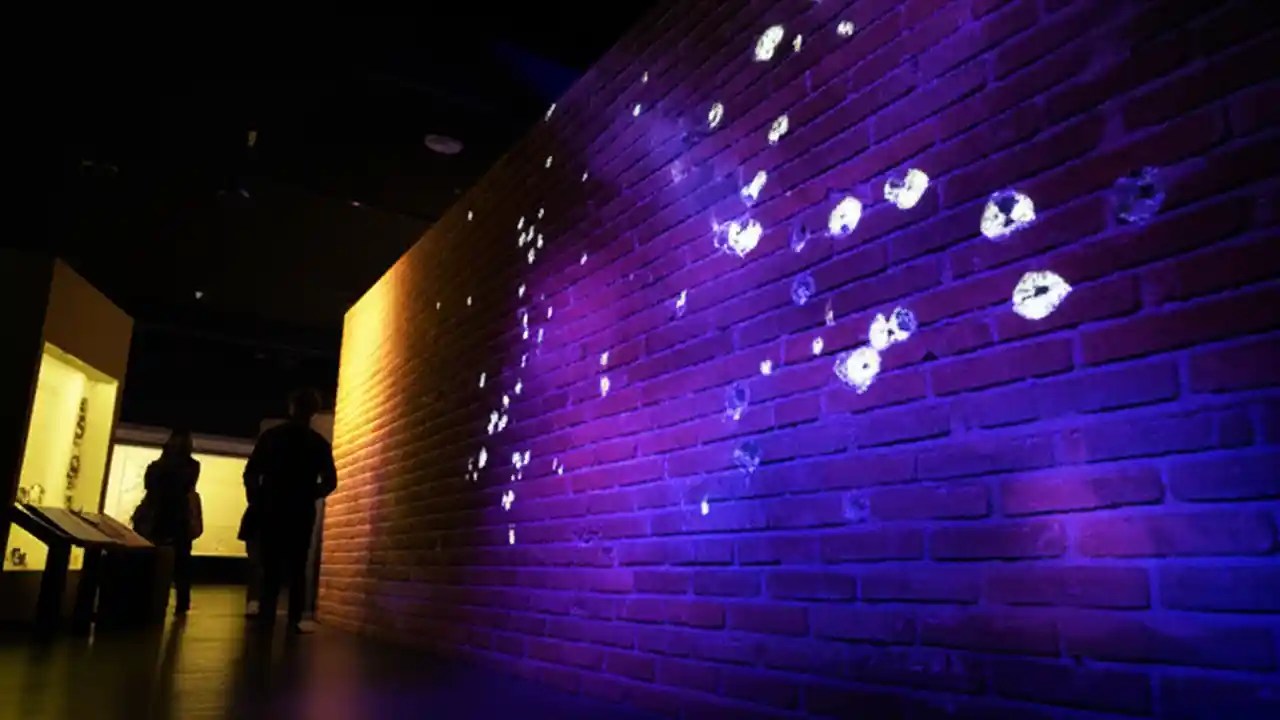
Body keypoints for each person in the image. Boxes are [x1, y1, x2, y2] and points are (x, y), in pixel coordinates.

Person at [243, 388, 337, 633]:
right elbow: (330, 481)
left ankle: (267, 616)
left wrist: (258, 498)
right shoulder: (318, 444)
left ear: (291, 407)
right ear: (313, 412)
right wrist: (310, 493)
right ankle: (294, 619)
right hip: (301, 511)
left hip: (272, 507)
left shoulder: (272, 437)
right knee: (298, 566)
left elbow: (251, 473)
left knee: (270, 565)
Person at [142, 429, 201, 614]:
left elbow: (150, 487)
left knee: (158, 559)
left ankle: (154, 599)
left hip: (159, 516)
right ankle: (181, 602)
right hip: (179, 517)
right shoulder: (192, 466)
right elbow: (186, 486)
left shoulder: (157, 466)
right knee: (182, 562)